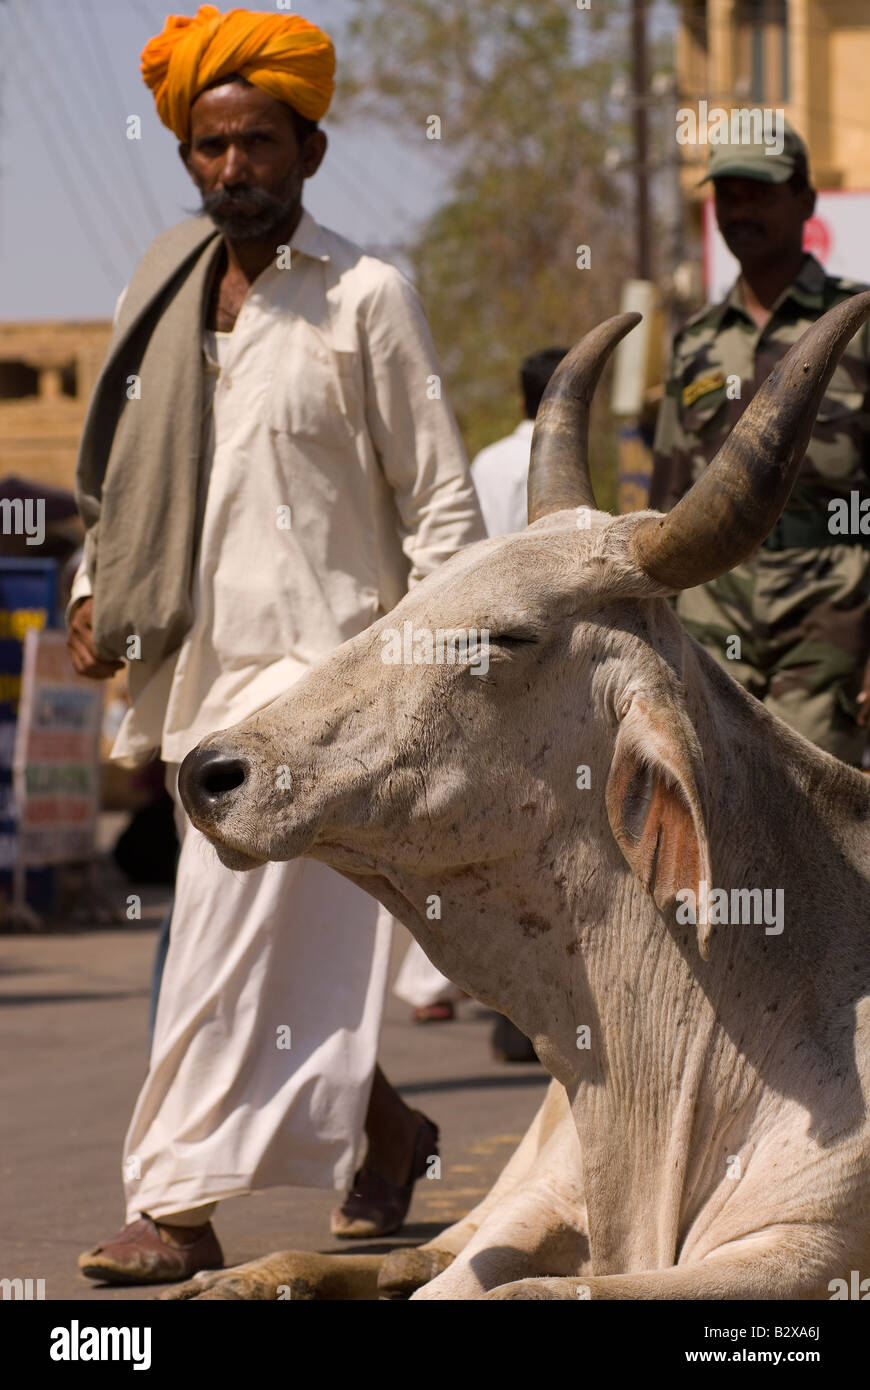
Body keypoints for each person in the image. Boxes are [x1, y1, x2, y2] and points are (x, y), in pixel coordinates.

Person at [68, 5, 485, 1285]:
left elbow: (445, 507)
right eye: (208, 148)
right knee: (282, 946)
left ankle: (175, 1208)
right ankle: (391, 1129)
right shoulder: (165, 296)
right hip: (203, 684)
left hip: (329, 694)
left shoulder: (367, 297)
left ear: (309, 148)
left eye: (257, 145)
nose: (231, 171)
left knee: (219, 943)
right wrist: (98, 585)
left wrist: (438, 686)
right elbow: (132, 484)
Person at [651, 121, 870, 766]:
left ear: (805, 201)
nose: (740, 209)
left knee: (815, 814)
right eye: (728, 194)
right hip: (711, 622)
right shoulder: (694, 344)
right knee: (716, 804)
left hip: (832, 615)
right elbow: (665, 500)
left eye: (759, 192)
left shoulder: (857, 324)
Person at [394, 348, 568, 1046]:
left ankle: (439, 978)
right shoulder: (564, 473)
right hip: (530, 662)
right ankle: (513, 992)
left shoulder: (487, 462)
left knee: (455, 814)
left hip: (469, 656)